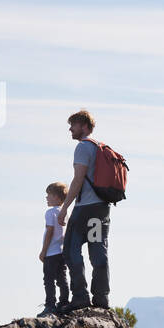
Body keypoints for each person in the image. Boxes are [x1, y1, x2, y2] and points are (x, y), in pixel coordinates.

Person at [57, 110, 111, 311]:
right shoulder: (100, 148)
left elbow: (78, 179)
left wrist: (64, 209)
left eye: (74, 124)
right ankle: (101, 298)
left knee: (71, 250)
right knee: (98, 251)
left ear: (85, 126)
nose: (70, 129)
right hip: (101, 209)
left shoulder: (82, 147)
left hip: (85, 209)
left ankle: (80, 296)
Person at [39, 182, 70, 317]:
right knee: (62, 278)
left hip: (51, 253)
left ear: (57, 198)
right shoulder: (64, 213)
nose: (46, 198)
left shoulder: (50, 212)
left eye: (49, 195)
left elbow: (50, 231)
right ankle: (64, 302)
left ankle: (50, 305)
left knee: (49, 280)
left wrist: (43, 251)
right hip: (62, 252)